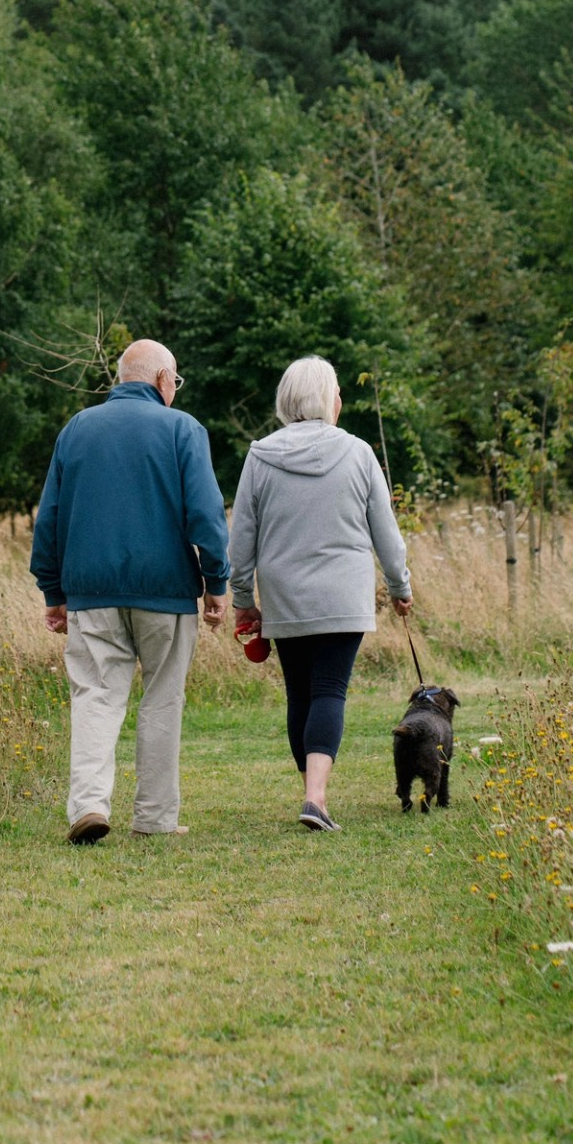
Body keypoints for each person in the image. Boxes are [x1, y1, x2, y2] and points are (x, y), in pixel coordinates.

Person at [30, 338, 229, 843]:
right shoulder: (183, 429)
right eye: (175, 382)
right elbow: (206, 515)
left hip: (91, 592)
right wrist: (216, 582)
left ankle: (89, 807)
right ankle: (156, 818)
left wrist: (52, 590)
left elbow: (49, 516)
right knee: (162, 698)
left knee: (95, 696)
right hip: (166, 590)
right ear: (163, 380)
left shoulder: (77, 429)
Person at [228, 354, 410, 833]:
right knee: (330, 690)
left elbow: (241, 536)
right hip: (343, 596)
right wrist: (399, 587)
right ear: (330, 399)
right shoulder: (358, 452)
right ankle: (316, 796)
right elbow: (385, 531)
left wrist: (243, 598)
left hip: (286, 595)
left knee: (300, 694)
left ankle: (312, 793)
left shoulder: (261, 455)